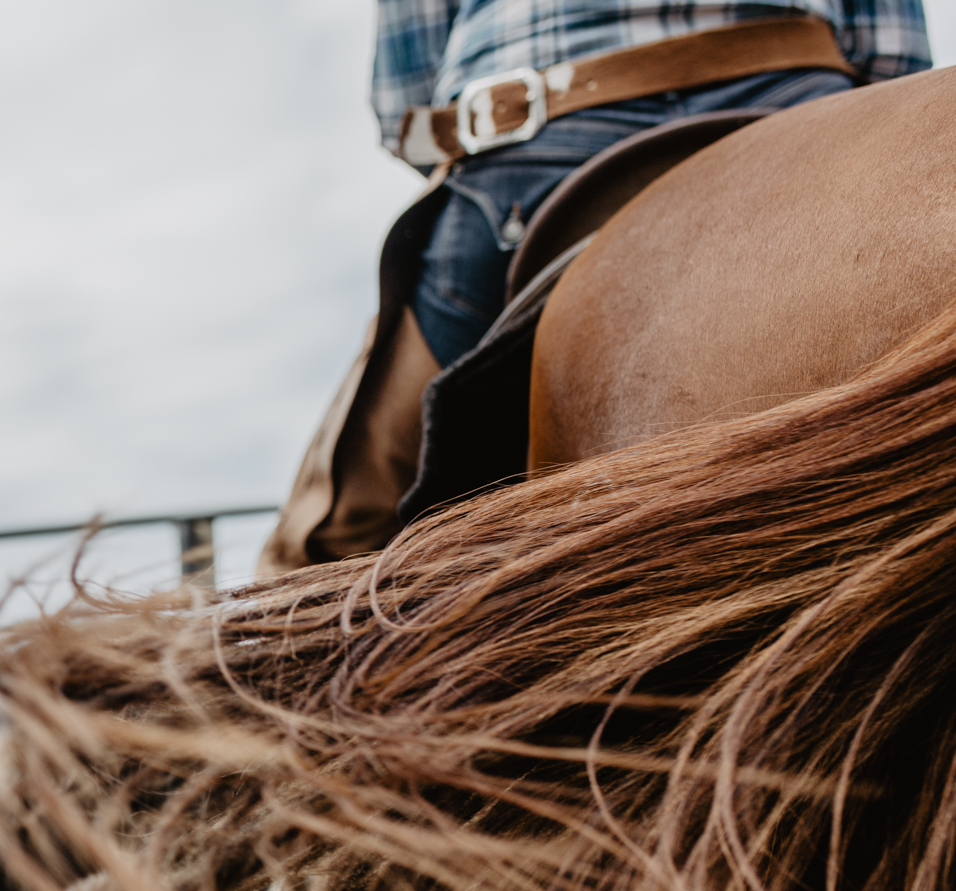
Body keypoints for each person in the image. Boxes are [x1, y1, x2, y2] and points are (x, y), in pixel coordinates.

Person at [264, 0, 930, 572]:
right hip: (803, 112)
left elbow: (402, 97)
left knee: (340, 536)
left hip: (547, 133)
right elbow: (894, 54)